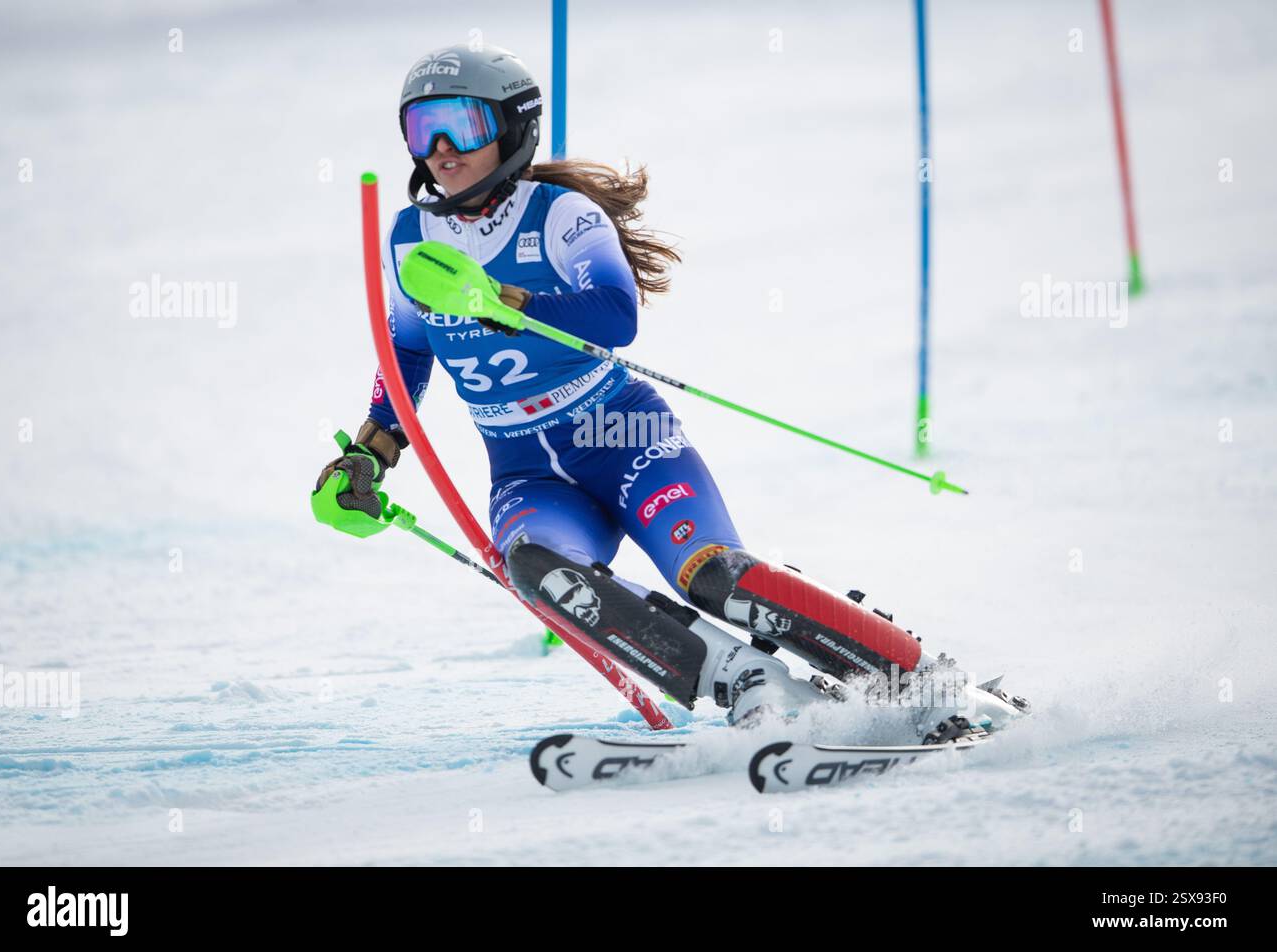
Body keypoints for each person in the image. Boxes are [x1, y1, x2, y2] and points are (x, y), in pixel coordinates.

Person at [314, 43, 1022, 734]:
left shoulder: (560, 216)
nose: (439, 147)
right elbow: (406, 352)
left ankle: (926, 677)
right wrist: (372, 453)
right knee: (542, 571)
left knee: (719, 580)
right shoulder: (409, 236)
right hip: (526, 471)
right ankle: (752, 684)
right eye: (419, 127)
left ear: (511, 127)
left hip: (622, 438)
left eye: (461, 125)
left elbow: (616, 316)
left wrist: (506, 302)